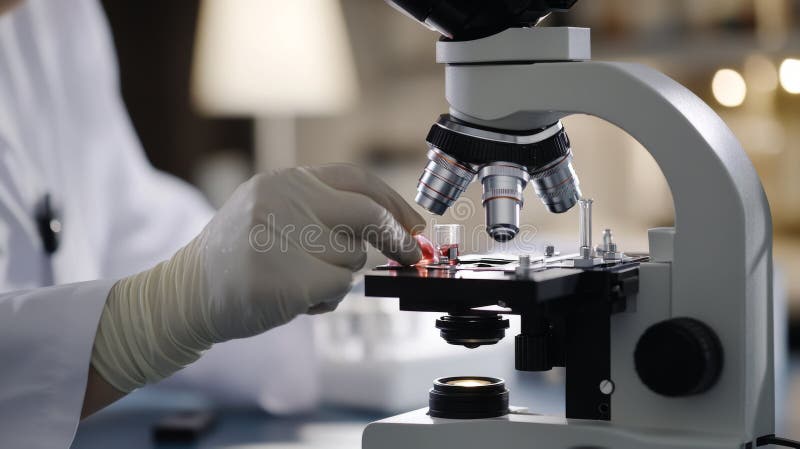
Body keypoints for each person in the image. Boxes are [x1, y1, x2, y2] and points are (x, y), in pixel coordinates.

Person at [0, 0, 425, 448]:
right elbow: (177, 296)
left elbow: (129, 224)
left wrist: (371, 336)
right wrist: (144, 322)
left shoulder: (58, 15)